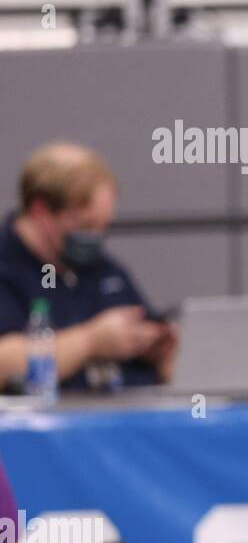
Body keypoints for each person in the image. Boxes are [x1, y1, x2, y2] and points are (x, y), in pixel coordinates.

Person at [0, 143, 177, 392]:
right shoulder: (7, 266)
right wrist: (90, 342)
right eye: (86, 226)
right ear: (40, 211)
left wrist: (158, 349)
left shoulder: (103, 268)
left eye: (103, 226)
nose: (95, 236)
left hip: (130, 418)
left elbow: (150, 336)